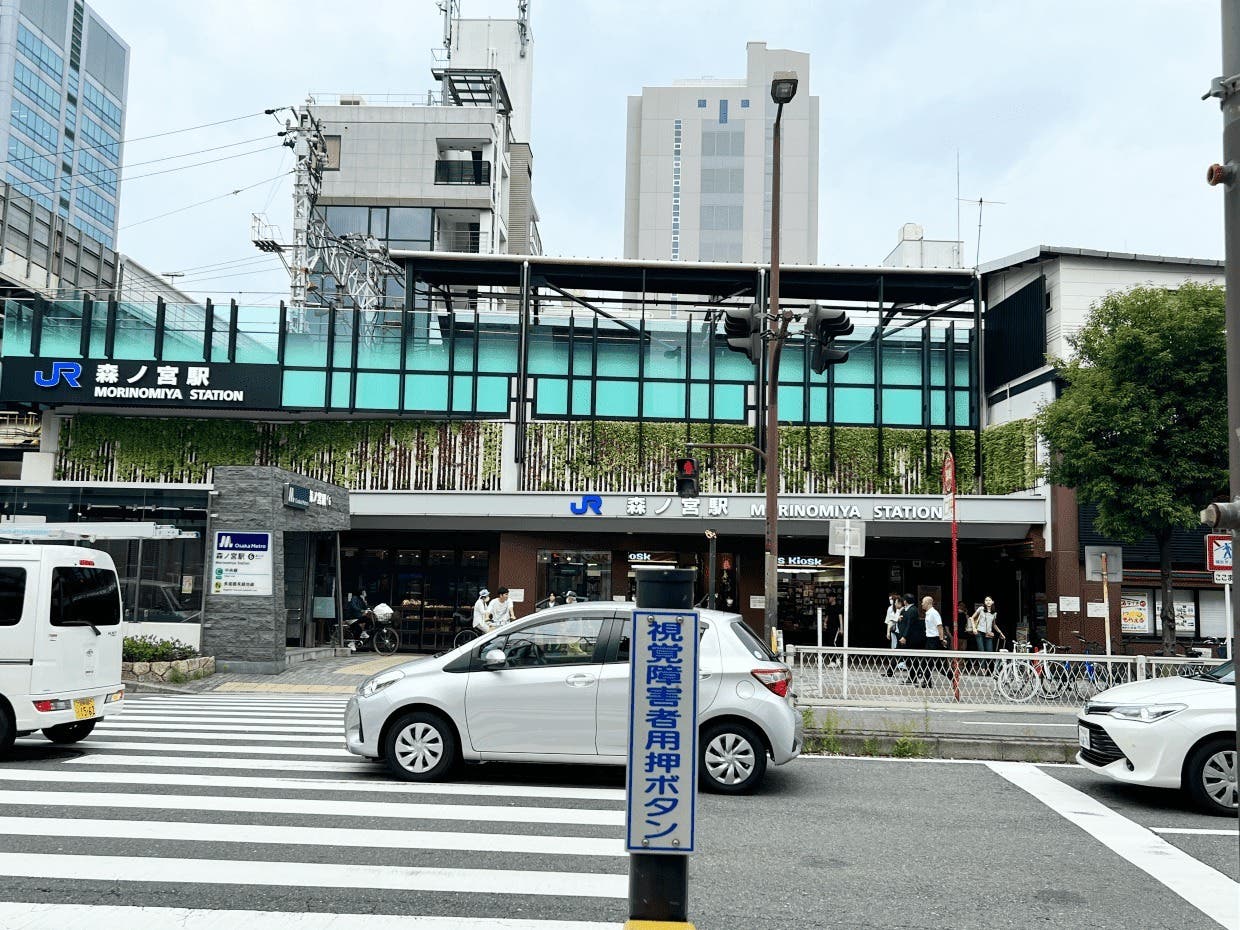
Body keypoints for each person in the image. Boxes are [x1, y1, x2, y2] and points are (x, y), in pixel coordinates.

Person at [919, 596, 946, 687]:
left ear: (928, 603)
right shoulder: (928, 613)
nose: (922, 604)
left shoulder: (934, 613)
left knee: (933, 664)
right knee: (928, 663)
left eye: (923, 602)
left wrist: (941, 639)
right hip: (929, 639)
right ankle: (927, 682)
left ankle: (953, 677)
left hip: (934, 640)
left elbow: (940, 626)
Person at [897, 593, 922, 683]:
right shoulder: (905, 610)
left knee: (911, 658)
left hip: (910, 638)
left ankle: (914, 676)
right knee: (908, 658)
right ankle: (916, 674)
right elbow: (904, 622)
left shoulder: (913, 610)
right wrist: (900, 619)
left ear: (905, 601)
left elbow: (910, 625)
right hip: (905, 637)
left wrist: (904, 636)